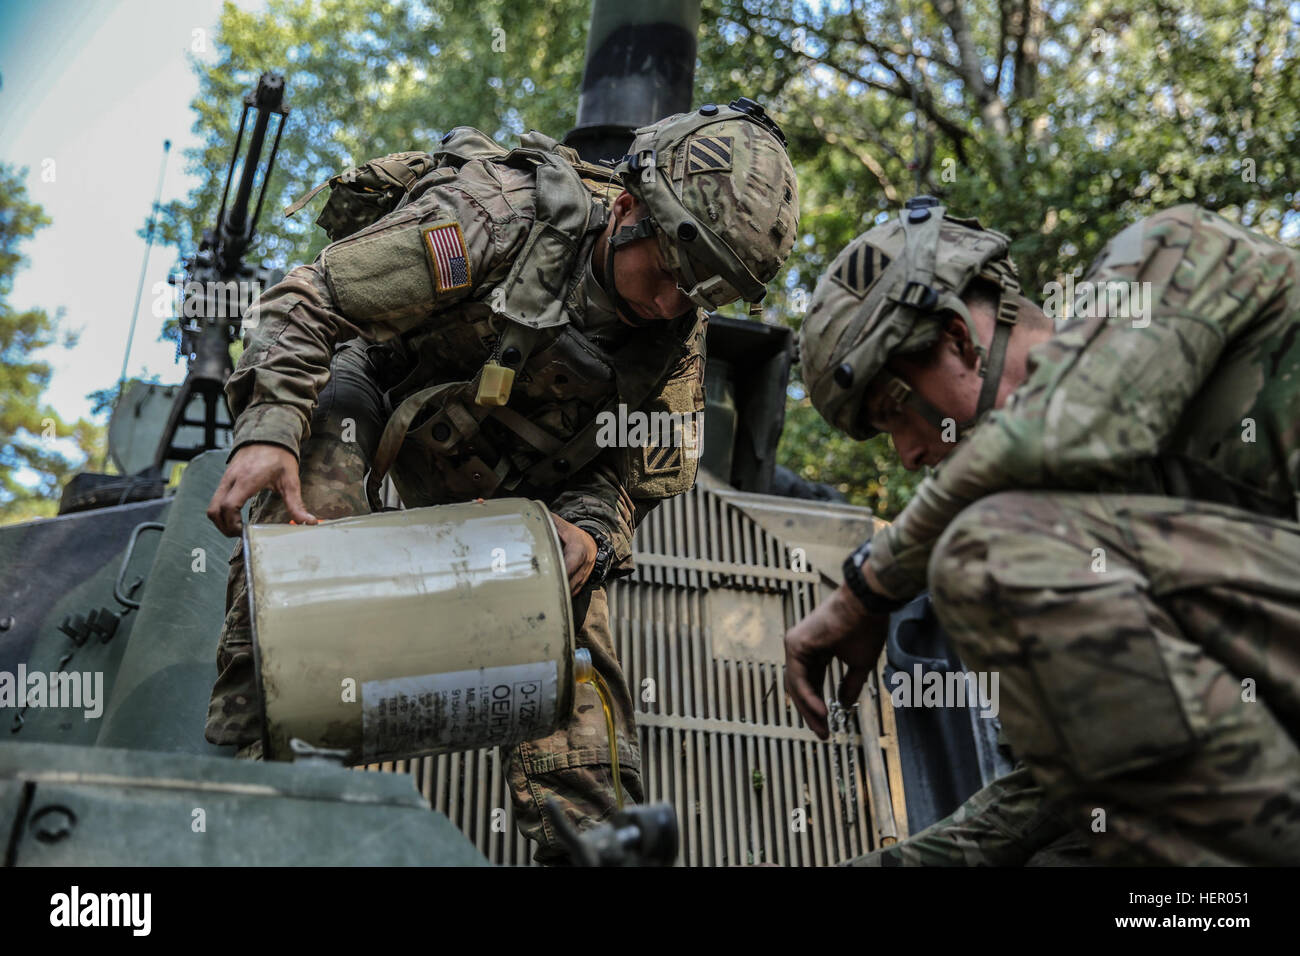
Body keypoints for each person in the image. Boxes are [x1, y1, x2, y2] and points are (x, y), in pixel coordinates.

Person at [203, 99, 799, 863]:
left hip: (516, 492)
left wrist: (586, 532)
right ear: (626, 210)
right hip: (379, 401)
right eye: (668, 275)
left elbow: (632, 479)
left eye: (701, 294)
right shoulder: (496, 214)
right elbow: (314, 299)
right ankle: (251, 800)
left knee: (580, 685)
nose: (669, 304)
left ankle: (594, 851)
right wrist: (271, 427)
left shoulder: (676, 337)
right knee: (312, 535)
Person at [789, 197, 1300, 865]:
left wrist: (864, 590)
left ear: (956, 338)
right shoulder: (1100, 530)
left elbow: (1059, 430)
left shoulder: (1171, 250)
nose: (908, 455)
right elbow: (1077, 787)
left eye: (895, 412)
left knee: (987, 550)